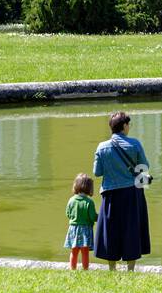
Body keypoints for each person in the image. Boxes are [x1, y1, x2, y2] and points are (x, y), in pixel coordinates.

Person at [93, 111, 152, 272]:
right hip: (132, 193)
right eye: (128, 124)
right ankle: (130, 269)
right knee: (131, 229)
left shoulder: (102, 147)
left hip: (110, 193)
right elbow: (144, 167)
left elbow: (97, 172)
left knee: (111, 230)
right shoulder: (135, 144)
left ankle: (112, 268)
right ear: (124, 126)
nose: (129, 127)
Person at [65, 174, 97, 270]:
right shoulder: (89, 202)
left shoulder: (71, 200)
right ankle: (85, 269)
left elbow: (68, 213)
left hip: (73, 229)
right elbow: (93, 217)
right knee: (85, 252)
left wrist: (74, 218)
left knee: (74, 252)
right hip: (85, 229)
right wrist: (101, 217)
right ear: (89, 188)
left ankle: (72, 269)